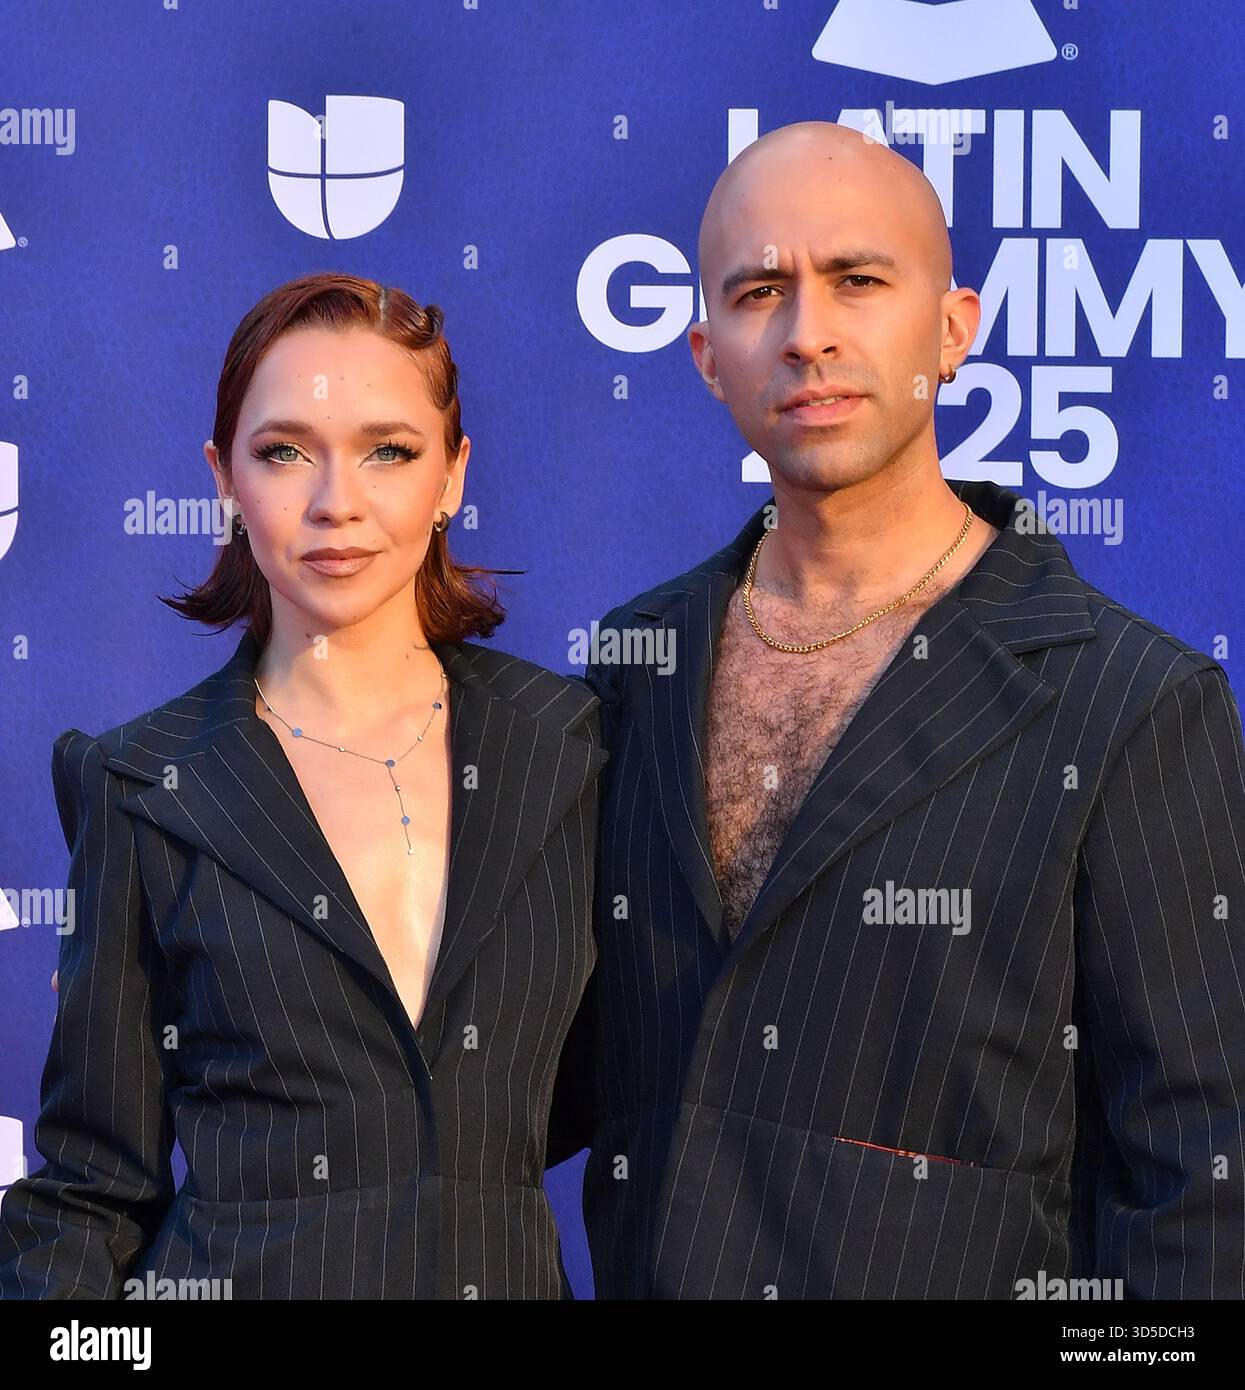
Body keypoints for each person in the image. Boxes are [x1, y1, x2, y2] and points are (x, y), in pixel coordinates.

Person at [568, 121, 1245, 1298]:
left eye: (859, 280)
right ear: (704, 353)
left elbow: (1203, 1181)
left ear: (954, 329)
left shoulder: (1132, 706)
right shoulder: (632, 667)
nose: (809, 332)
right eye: (760, 290)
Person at [0, 273, 606, 1300]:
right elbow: (91, 1186)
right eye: (284, 451)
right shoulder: (141, 783)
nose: (337, 502)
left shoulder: (574, 747)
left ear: (454, 473)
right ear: (224, 480)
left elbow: (633, 1079)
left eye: (390, 450)